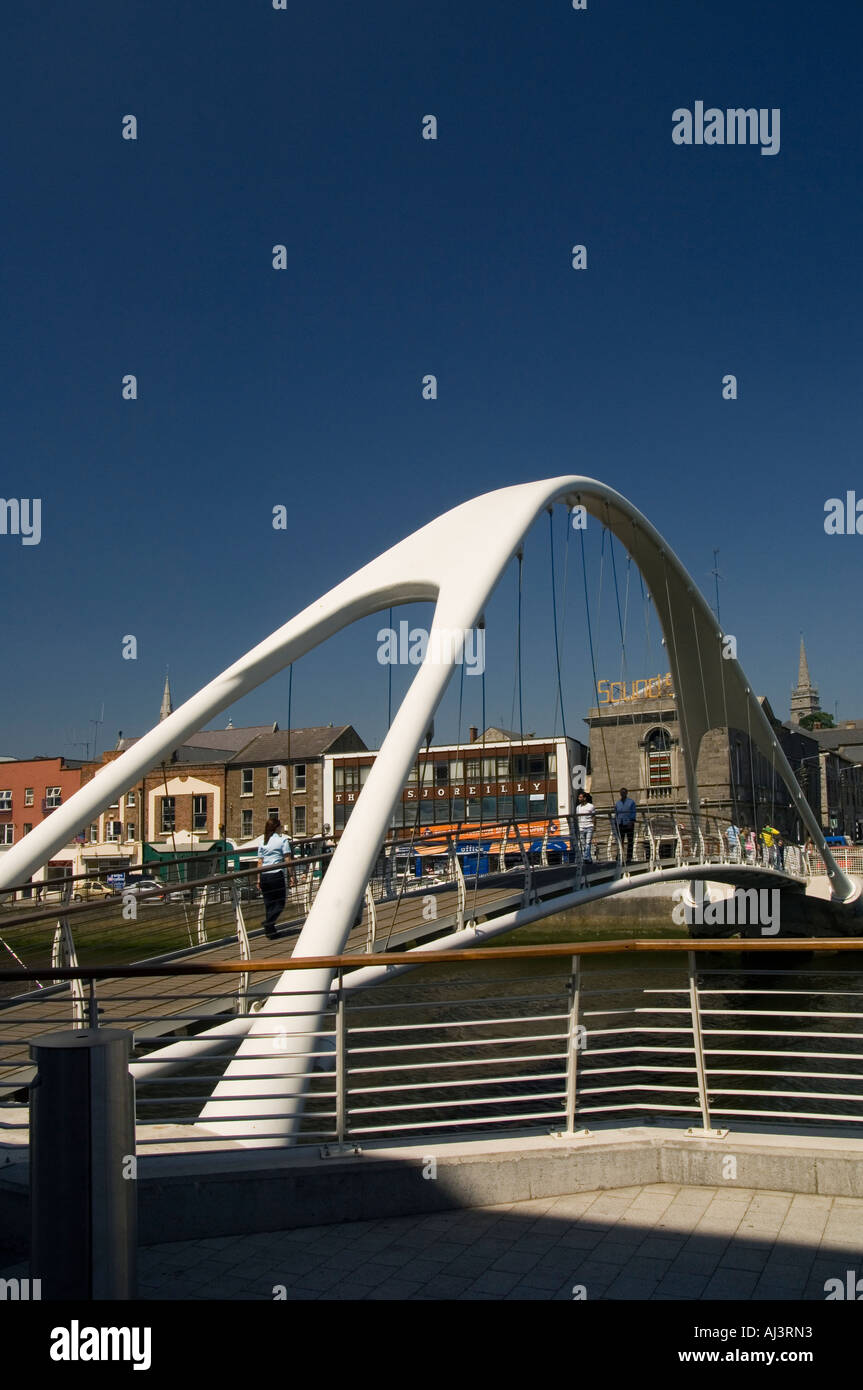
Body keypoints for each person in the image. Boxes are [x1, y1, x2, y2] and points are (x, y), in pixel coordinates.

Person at [257, 816, 292, 939]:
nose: (282, 829)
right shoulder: (282, 841)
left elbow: (260, 862)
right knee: (280, 902)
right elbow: (287, 859)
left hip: (264, 875)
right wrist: (292, 875)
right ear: (277, 828)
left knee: (269, 904)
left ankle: (271, 932)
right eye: (281, 826)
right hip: (276, 874)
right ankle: (269, 922)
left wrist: (258, 879)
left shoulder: (263, 841)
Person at [614, 787, 637, 864]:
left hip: (629, 823)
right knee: (621, 841)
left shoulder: (631, 802)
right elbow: (616, 814)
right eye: (621, 793)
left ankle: (629, 857)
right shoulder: (617, 803)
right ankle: (620, 856)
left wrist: (631, 821)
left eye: (624, 792)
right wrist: (616, 822)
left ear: (626, 793)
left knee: (630, 841)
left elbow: (633, 812)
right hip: (620, 824)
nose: (622, 794)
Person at [575, 791, 595, 863]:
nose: (579, 799)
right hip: (581, 827)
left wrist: (594, 826)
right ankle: (588, 858)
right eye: (579, 797)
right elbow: (577, 818)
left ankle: (585, 858)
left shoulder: (591, 806)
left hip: (589, 826)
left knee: (588, 842)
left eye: (580, 797)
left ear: (584, 798)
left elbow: (593, 817)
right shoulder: (578, 807)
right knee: (583, 843)